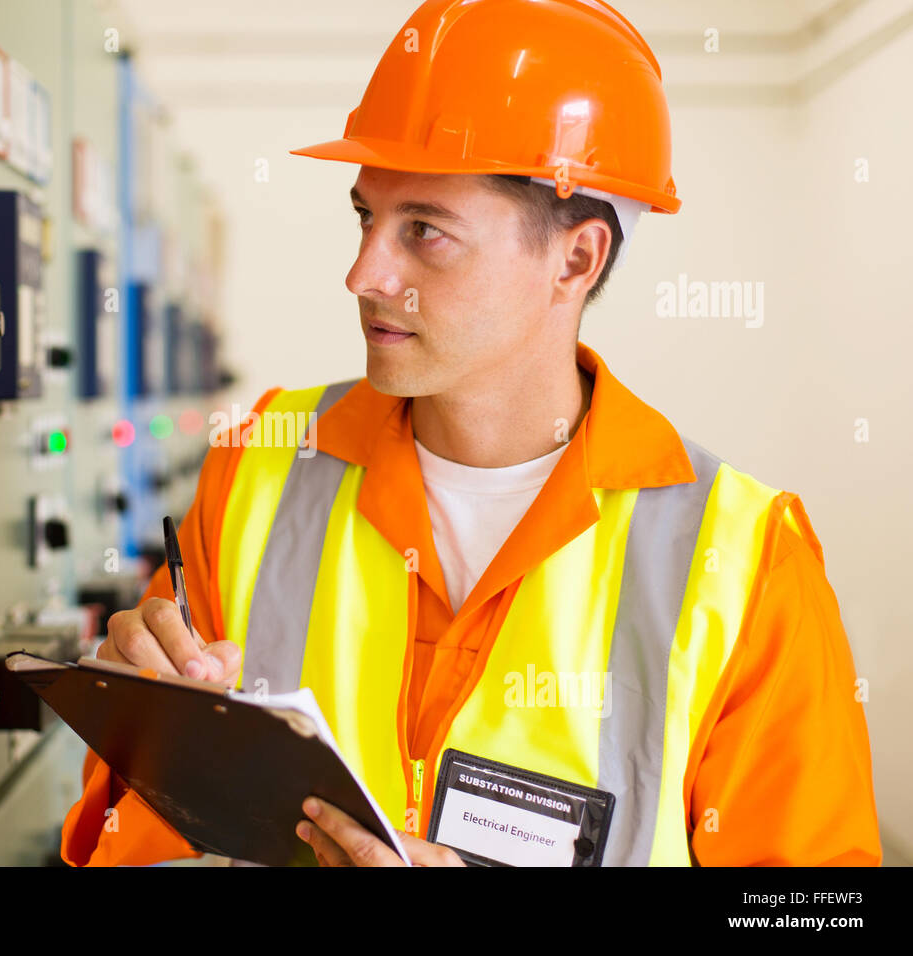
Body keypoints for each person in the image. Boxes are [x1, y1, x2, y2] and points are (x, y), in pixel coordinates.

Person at [60, 0, 881, 867]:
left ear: (576, 258)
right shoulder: (261, 467)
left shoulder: (746, 561)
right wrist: (147, 729)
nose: (365, 273)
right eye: (365, 218)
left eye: (426, 231)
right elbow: (133, 843)